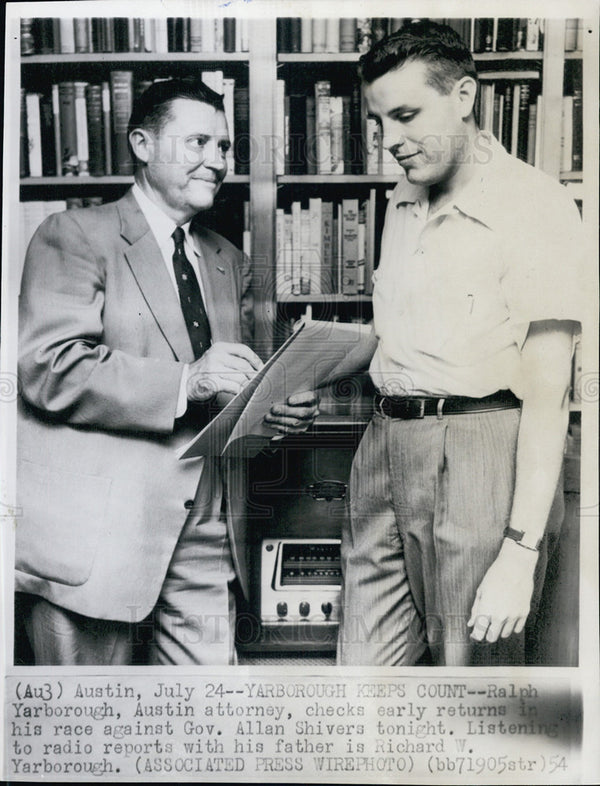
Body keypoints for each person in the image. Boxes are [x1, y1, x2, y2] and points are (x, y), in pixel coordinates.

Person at [15, 77, 318, 666]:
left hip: (207, 525)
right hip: (98, 541)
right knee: (88, 740)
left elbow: (228, 384)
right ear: (143, 144)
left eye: (225, 147)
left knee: (206, 730)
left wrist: (269, 410)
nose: (218, 161)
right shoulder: (72, 235)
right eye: (198, 142)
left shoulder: (228, 260)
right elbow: (48, 367)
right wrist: (187, 381)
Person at [336, 21, 584, 667]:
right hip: (384, 447)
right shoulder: (402, 197)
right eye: (379, 121)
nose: (391, 140)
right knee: (359, 694)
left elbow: (550, 397)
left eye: (408, 115)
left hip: (481, 450)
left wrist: (520, 549)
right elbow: (410, 341)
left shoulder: (538, 205)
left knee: (473, 696)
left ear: (466, 96)